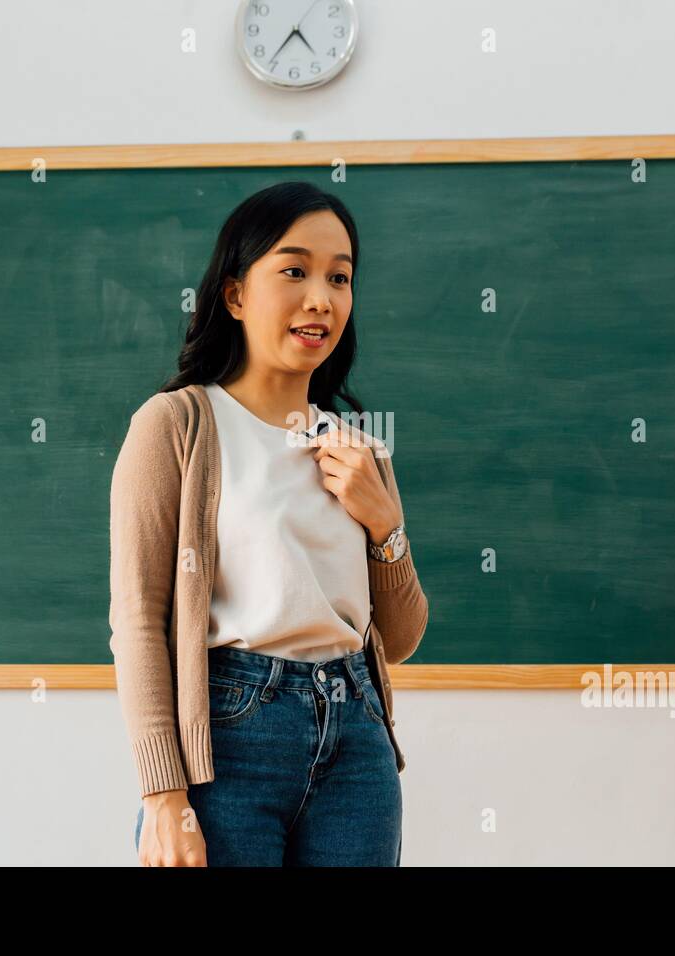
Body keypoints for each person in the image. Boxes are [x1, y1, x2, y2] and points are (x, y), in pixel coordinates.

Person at [109, 181, 430, 866]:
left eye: (339, 278)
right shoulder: (176, 426)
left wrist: (385, 526)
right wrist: (163, 795)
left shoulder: (359, 450)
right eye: (295, 270)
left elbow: (399, 639)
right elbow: (139, 620)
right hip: (229, 741)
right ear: (234, 295)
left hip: (358, 742)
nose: (322, 298)